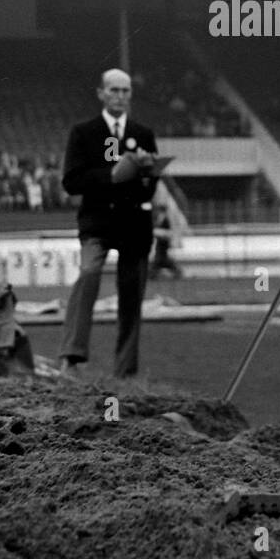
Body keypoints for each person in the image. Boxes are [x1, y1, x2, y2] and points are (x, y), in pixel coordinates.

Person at [59, 68, 162, 377]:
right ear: (101, 93)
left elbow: (150, 187)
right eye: (114, 90)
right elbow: (71, 181)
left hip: (134, 226)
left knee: (132, 295)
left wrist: (144, 170)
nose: (120, 96)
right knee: (88, 273)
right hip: (97, 223)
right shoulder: (83, 132)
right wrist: (112, 175)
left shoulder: (143, 134)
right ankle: (71, 357)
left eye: (125, 91)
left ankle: (125, 370)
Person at [150, 205, 183, 279]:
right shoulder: (160, 219)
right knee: (162, 262)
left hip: (163, 247)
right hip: (161, 248)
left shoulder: (165, 220)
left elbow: (168, 233)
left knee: (160, 261)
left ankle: (151, 274)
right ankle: (152, 274)